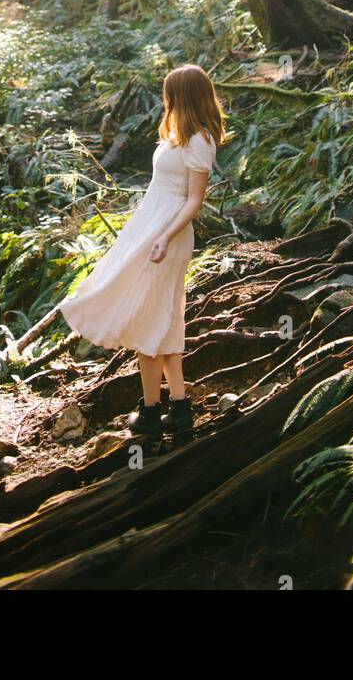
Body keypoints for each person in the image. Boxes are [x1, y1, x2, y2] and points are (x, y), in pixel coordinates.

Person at [61, 63, 225, 440]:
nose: (166, 100)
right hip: (152, 231)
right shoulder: (177, 136)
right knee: (161, 320)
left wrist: (165, 237)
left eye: (171, 93)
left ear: (185, 96)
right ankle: (177, 409)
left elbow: (194, 201)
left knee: (152, 317)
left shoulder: (199, 139)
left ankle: (152, 411)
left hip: (168, 236)